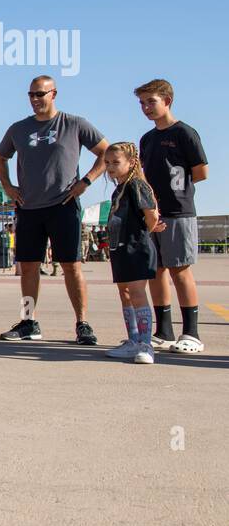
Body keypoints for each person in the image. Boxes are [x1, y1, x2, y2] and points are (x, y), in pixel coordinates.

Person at [0, 76, 108, 345]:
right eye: (31, 95)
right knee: (29, 267)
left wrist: (86, 181)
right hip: (29, 207)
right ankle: (28, 322)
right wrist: (8, 187)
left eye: (40, 94)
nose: (35, 99)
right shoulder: (18, 129)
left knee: (71, 266)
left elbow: (106, 152)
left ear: (54, 94)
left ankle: (82, 323)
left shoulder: (74, 124)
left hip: (64, 206)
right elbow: (0, 157)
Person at [136, 79, 209, 354]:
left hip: (179, 211)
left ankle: (191, 332)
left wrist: (177, 191)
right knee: (157, 271)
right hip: (153, 213)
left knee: (180, 270)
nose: (146, 108)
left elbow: (201, 171)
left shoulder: (184, 133)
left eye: (151, 101)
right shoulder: (147, 139)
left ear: (167, 100)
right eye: (142, 103)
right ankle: (163, 330)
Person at [102, 143, 166, 364]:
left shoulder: (137, 185)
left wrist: (146, 230)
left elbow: (151, 213)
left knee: (137, 293)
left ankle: (146, 344)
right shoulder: (118, 189)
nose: (110, 167)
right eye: (107, 162)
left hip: (137, 248)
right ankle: (133, 339)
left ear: (131, 163)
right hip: (120, 249)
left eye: (115, 162)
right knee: (125, 294)